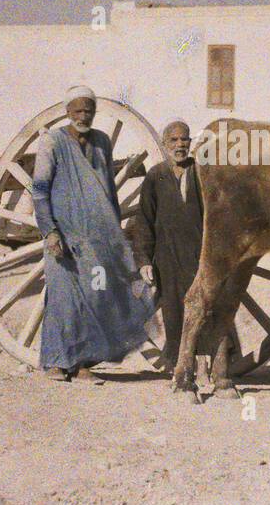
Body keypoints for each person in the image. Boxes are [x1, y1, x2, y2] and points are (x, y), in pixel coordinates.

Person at [28, 85, 154, 382]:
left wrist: (114, 232)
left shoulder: (101, 143)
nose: (83, 116)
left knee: (95, 296)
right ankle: (57, 362)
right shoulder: (52, 142)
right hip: (64, 234)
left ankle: (84, 363)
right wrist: (50, 231)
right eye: (78, 110)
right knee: (63, 298)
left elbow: (108, 188)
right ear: (68, 112)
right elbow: (40, 190)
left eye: (88, 110)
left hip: (97, 235)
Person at [132, 120, 205, 371]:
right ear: (164, 144)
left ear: (190, 143)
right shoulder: (156, 175)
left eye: (184, 139)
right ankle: (176, 363)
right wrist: (143, 260)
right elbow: (144, 220)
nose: (179, 145)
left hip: (198, 254)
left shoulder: (200, 173)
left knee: (202, 307)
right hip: (167, 257)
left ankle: (204, 362)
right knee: (173, 310)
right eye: (173, 140)